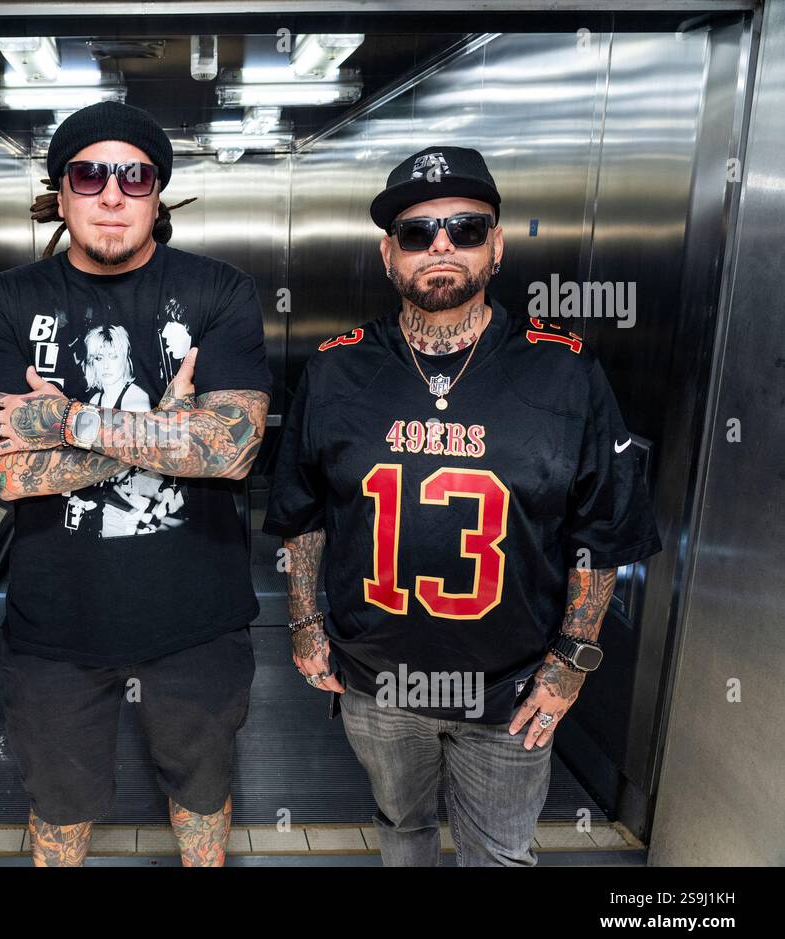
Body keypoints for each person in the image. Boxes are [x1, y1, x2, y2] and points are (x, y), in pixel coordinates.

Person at [264, 145, 662, 865]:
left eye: (466, 228)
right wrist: (303, 623)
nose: (441, 245)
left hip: (509, 690)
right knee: (401, 832)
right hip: (375, 682)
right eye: (417, 233)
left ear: (497, 246)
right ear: (389, 254)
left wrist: (570, 661)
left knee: (500, 855)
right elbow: (303, 514)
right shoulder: (336, 368)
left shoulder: (563, 371)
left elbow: (603, 531)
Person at [0, 100, 271, 866]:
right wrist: (168, 433)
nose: (111, 193)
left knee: (202, 795)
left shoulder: (220, 292)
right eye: (88, 174)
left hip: (197, 620)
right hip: (56, 631)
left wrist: (69, 421)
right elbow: (6, 473)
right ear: (60, 194)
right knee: (58, 809)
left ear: (157, 193)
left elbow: (231, 451)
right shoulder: (5, 301)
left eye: (133, 176)